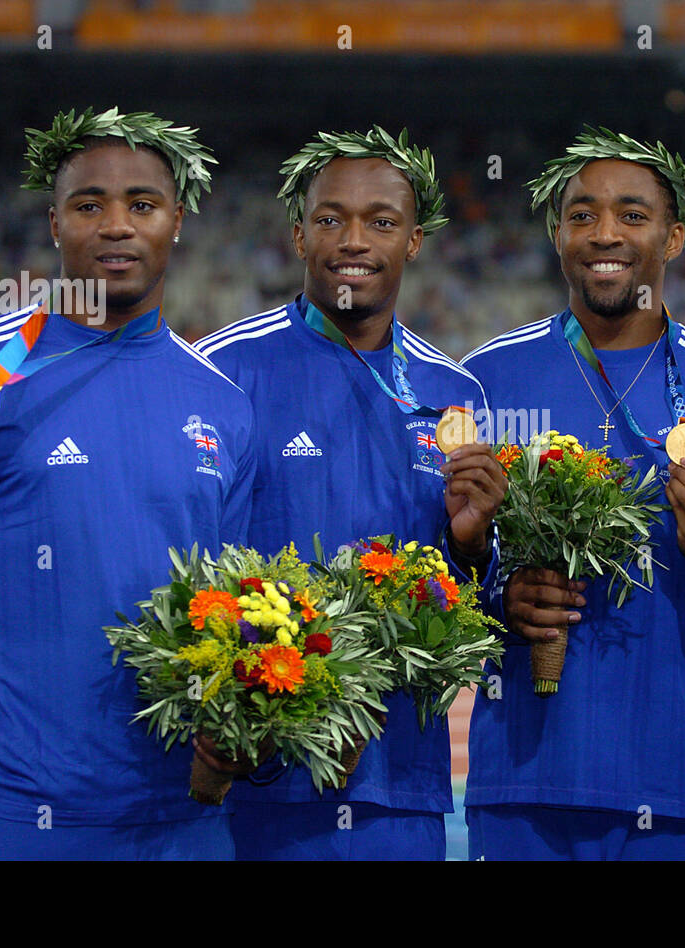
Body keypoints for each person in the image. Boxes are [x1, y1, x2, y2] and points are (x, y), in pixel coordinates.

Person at [0, 107, 256, 860]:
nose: (116, 226)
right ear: (55, 223)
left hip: (177, 819)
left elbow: (246, 603)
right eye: (88, 204)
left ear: (177, 222)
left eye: (142, 204)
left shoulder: (224, 401)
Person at [460, 128, 685, 860]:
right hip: (522, 787)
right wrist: (495, 591)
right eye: (582, 214)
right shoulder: (483, 380)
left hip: (678, 792)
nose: (605, 233)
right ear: (557, 232)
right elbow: (443, 578)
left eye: (633, 215)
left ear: (673, 238)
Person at [196, 127, 506, 861]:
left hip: (397, 786)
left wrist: (471, 542)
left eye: (382, 222)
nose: (353, 240)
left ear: (416, 241)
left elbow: (471, 606)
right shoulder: (222, 370)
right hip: (249, 779)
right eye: (330, 219)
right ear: (298, 234)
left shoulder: (453, 393)